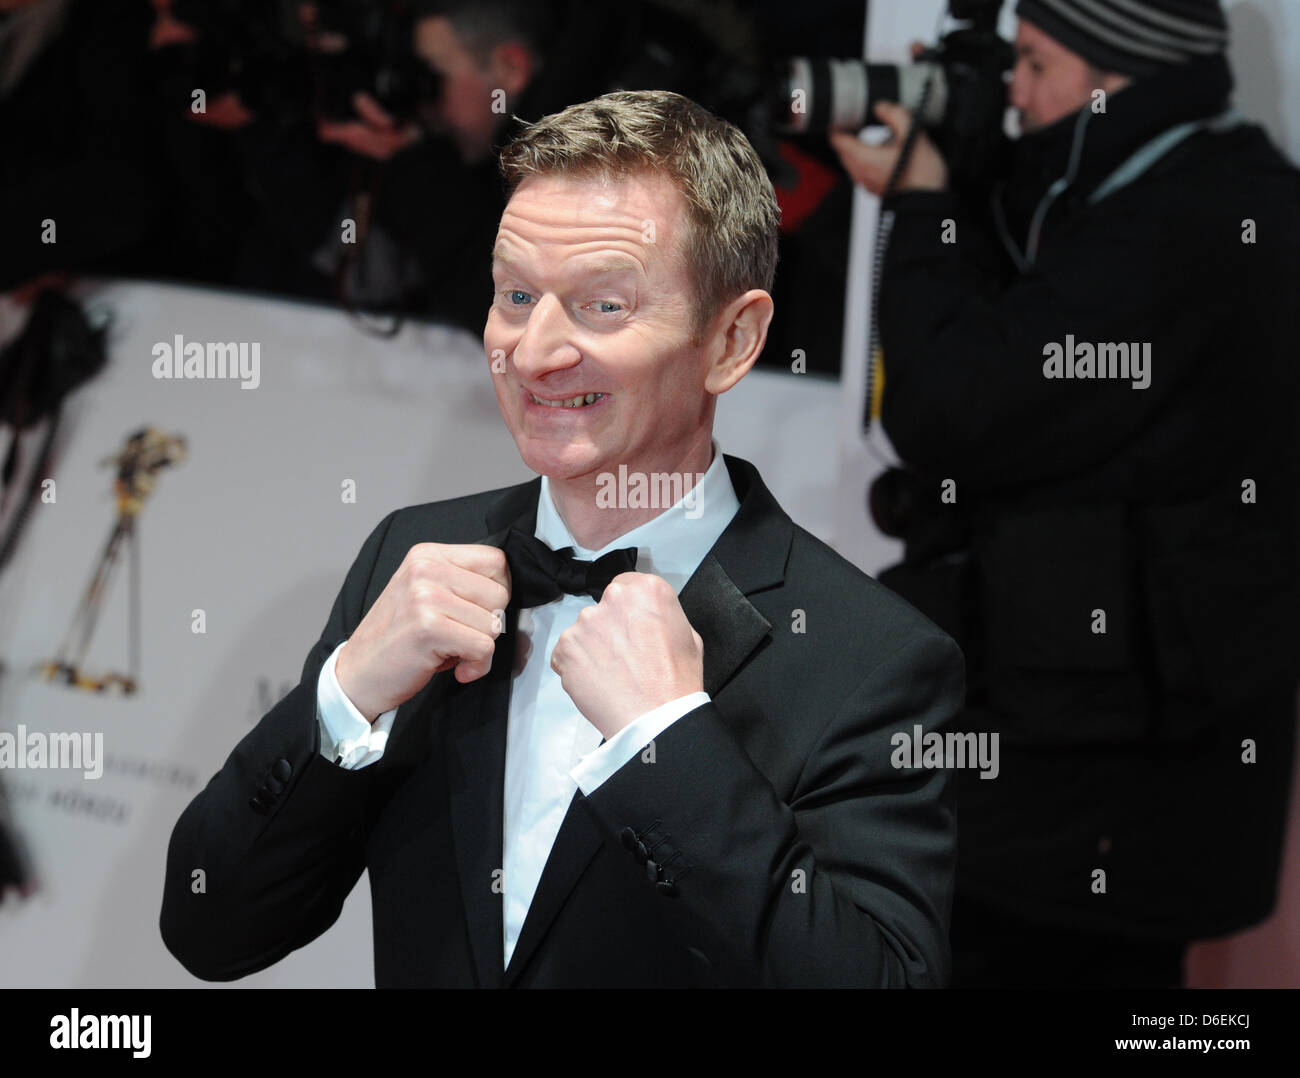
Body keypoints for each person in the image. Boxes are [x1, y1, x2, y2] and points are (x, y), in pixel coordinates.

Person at [160, 89, 965, 988]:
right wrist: (344, 696)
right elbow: (210, 929)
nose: (533, 350)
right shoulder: (412, 554)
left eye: (603, 306)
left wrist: (667, 740)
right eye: (514, 295)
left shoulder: (869, 656)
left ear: (732, 341)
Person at [832, 0, 1299, 987]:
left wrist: (924, 204)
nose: (1016, 91)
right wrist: (954, 153)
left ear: (1115, 72)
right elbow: (1044, 277)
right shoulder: (1177, 186)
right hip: (1086, 752)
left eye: (1035, 64)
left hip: (1103, 789)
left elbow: (952, 407)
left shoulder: (1195, 221)